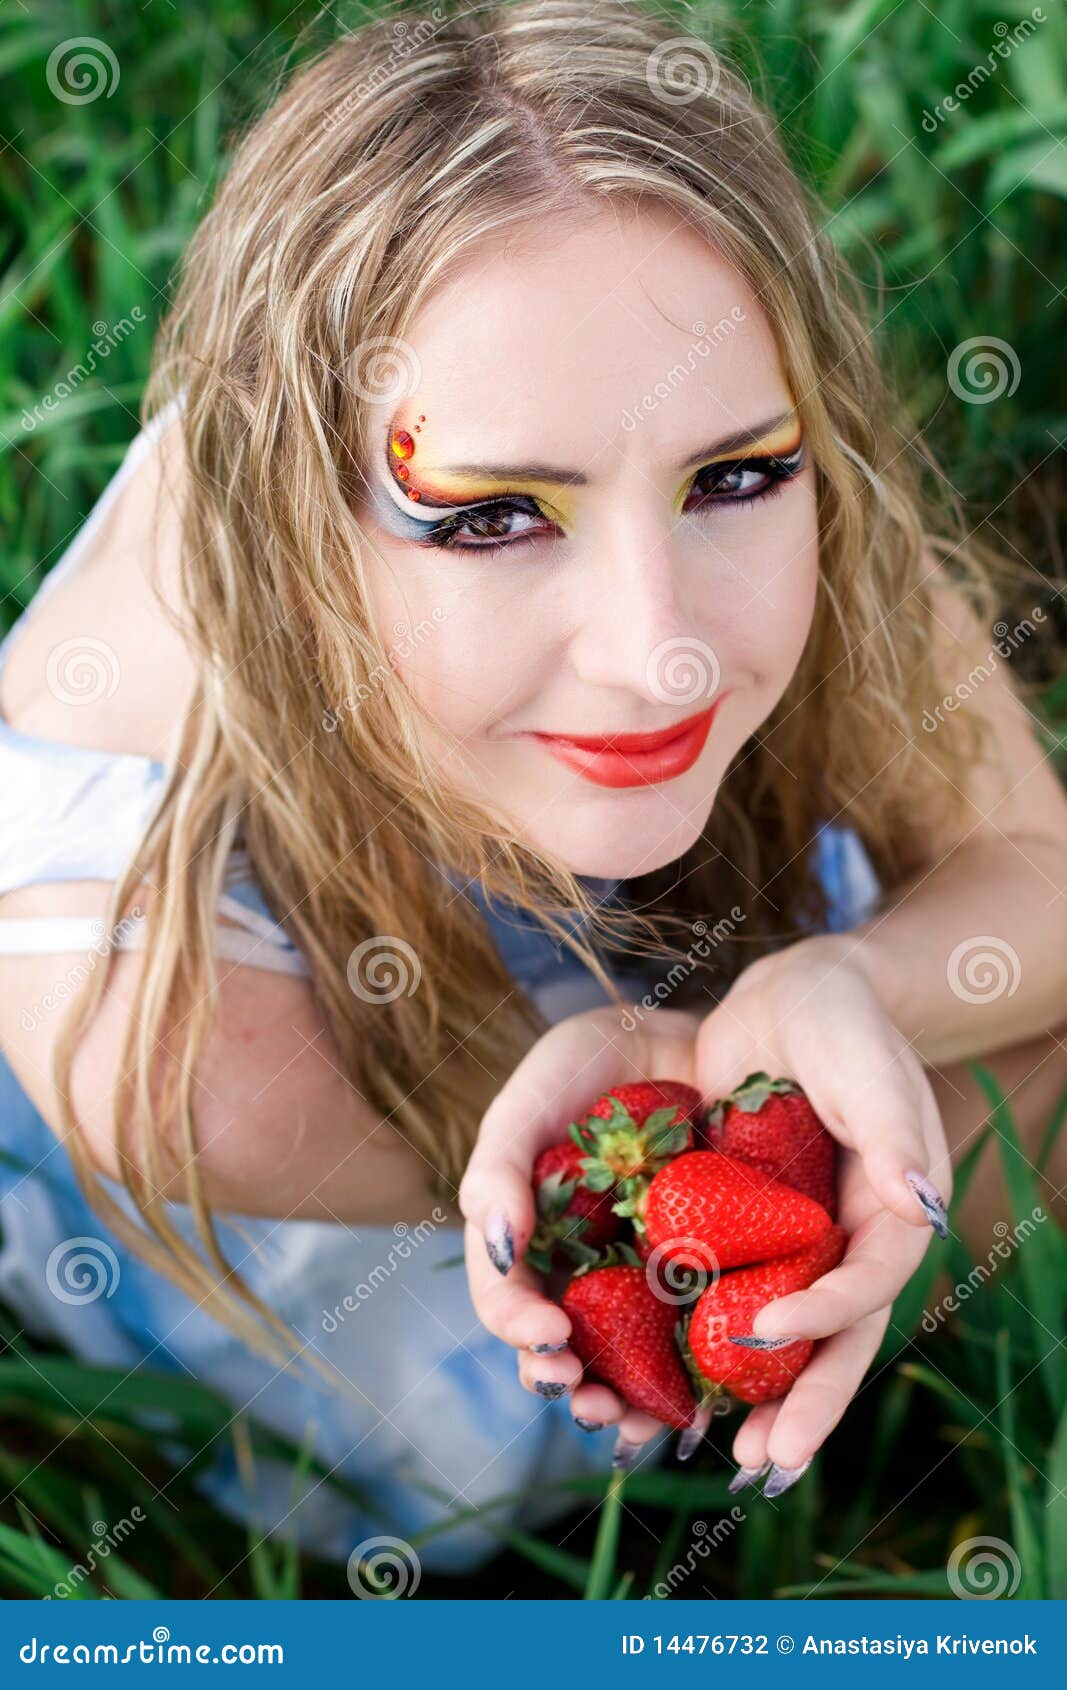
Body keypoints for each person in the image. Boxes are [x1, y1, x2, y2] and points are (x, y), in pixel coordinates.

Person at [1, 0, 1064, 1574]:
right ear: (297, 536)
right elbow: (630, 1217)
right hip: (372, 1238)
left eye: (735, 481)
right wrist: (813, 1102)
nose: (662, 658)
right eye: (492, 518)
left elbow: (1031, 870)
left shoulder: (669, 373)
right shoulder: (154, 1018)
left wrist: (837, 979)